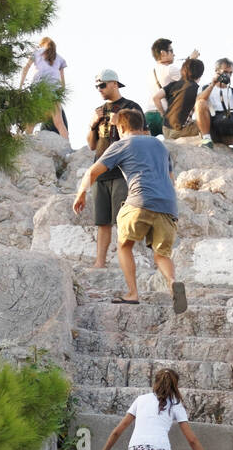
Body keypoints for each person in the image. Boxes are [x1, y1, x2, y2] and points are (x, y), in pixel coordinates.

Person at [73, 107, 187, 313]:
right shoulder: (160, 146)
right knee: (162, 254)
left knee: (125, 245)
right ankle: (172, 283)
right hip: (168, 205)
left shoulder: (122, 144)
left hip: (139, 201)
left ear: (122, 127)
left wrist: (81, 193)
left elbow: (94, 171)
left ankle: (132, 293)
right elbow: (171, 179)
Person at [86, 70, 147, 270]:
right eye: (97, 86)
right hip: (102, 170)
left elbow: (144, 136)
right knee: (102, 221)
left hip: (123, 171)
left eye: (102, 85)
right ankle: (100, 262)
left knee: (122, 220)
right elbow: (92, 145)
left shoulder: (131, 107)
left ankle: (124, 263)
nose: (99, 90)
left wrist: (119, 122)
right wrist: (93, 123)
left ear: (114, 84)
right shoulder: (98, 110)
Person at [145, 38, 200, 136]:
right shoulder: (170, 69)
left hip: (148, 114)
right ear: (163, 53)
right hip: (162, 114)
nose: (174, 54)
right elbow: (187, 80)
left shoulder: (151, 71)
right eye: (171, 51)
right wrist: (191, 60)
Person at [19, 37, 69, 141]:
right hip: (54, 91)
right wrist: (61, 94)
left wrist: (20, 86)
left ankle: (26, 144)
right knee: (59, 123)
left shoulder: (37, 52)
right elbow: (62, 80)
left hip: (39, 89)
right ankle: (67, 147)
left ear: (42, 44)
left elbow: (25, 68)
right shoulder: (59, 58)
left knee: (31, 121)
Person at [156, 58, 205, 139]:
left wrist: (163, 114)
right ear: (200, 74)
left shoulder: (174, 84)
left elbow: (156, 98)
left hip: (165, 129)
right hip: (179, 131)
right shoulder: (197, 89)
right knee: (207, 123)